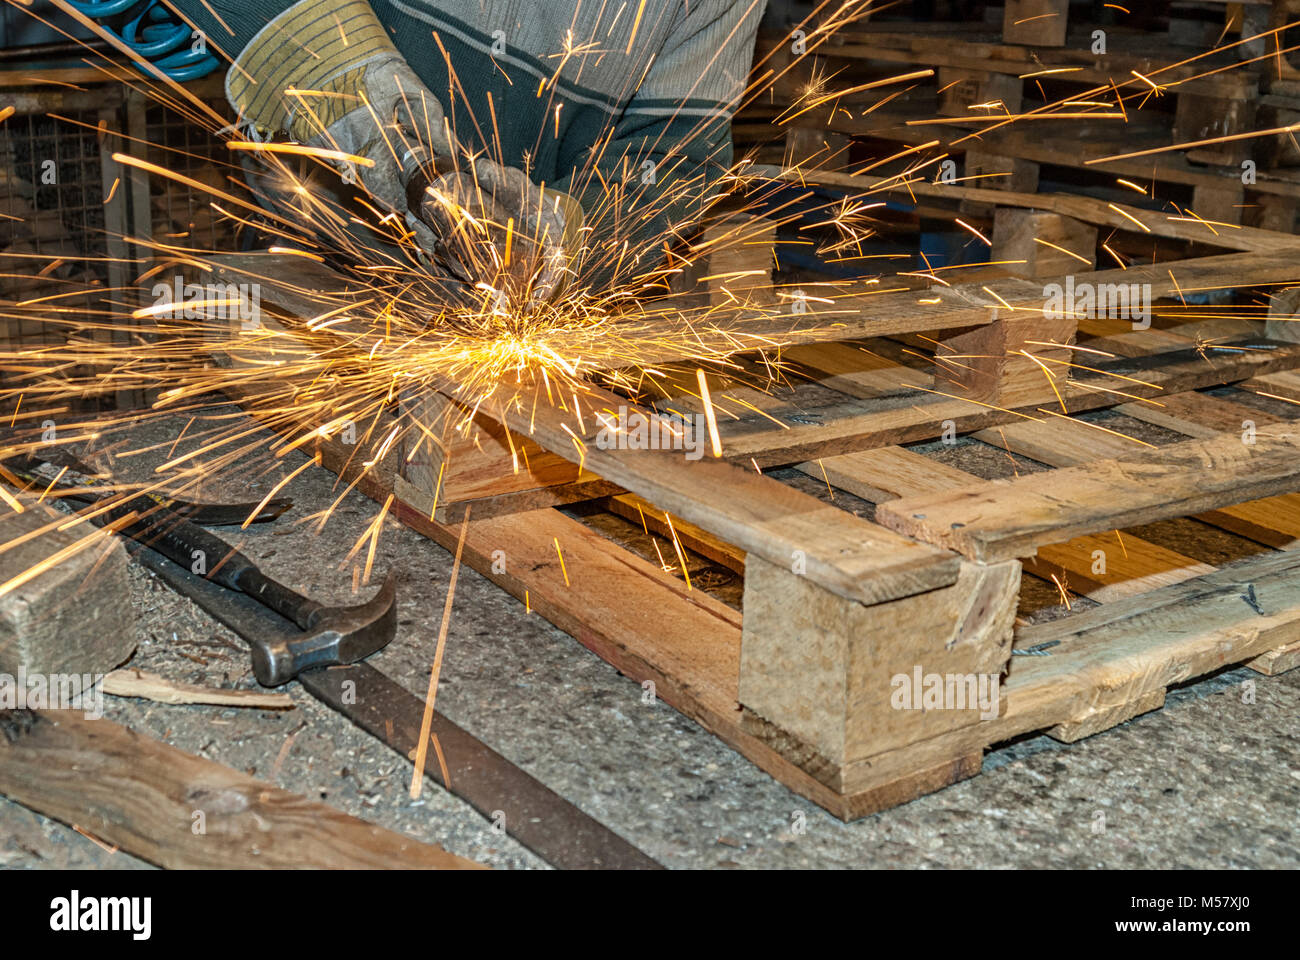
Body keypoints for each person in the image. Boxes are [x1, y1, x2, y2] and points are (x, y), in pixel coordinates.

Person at [171, 0, 765, 298]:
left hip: (517, 301)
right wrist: (362, 101)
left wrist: (571, 231)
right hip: (321, 260)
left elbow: (678, 154)